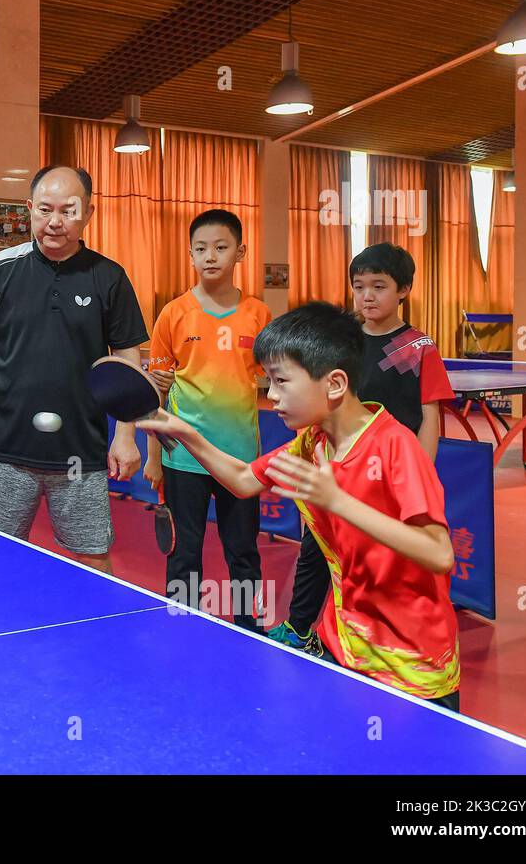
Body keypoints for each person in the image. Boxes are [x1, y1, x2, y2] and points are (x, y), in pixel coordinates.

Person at [139, 302, 461, 710]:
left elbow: (439, 553)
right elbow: (242, 481)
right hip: (344, 646)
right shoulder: (314, 442)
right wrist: (185, 432)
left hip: (413, 664)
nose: (271, 397)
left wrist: (338, 502)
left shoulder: (396, 446)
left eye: (280, 381)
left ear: (334, 383)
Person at [0, 165, 147, 574]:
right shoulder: (0, 270)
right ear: (29, 210)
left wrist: (126, 435)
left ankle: (94, 633)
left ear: (88, 214)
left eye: (69, 210)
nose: (55, 222)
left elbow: (129, 361)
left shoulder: (109, 278)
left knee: (92, 555)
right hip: (8, 449)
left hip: (82, 453)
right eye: (44, 209)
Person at [267, 243, 455, 651]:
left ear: (404, 290)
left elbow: (429, 416)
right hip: (335, 469)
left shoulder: (418, 347)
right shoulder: (343, 341)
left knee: (380, 564)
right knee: (317, 549)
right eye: (359, 286)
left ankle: (384, 645)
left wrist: (416, 476)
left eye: (379, 286)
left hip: (388, 474)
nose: (367, 296)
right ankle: (302, 628)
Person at [143, 209, 272, 631]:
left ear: (241, 252)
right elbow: (156, 395)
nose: (210, 256)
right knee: (186, 550)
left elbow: (276, 381)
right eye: (201, 249)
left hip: (240, 460)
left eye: (221, 247)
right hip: (183, 459)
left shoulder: (259, 314)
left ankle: (247, 623)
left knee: (243, 549)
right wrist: (153, 458)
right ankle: (182, 622)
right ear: (190, 254)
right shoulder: (173, 314)